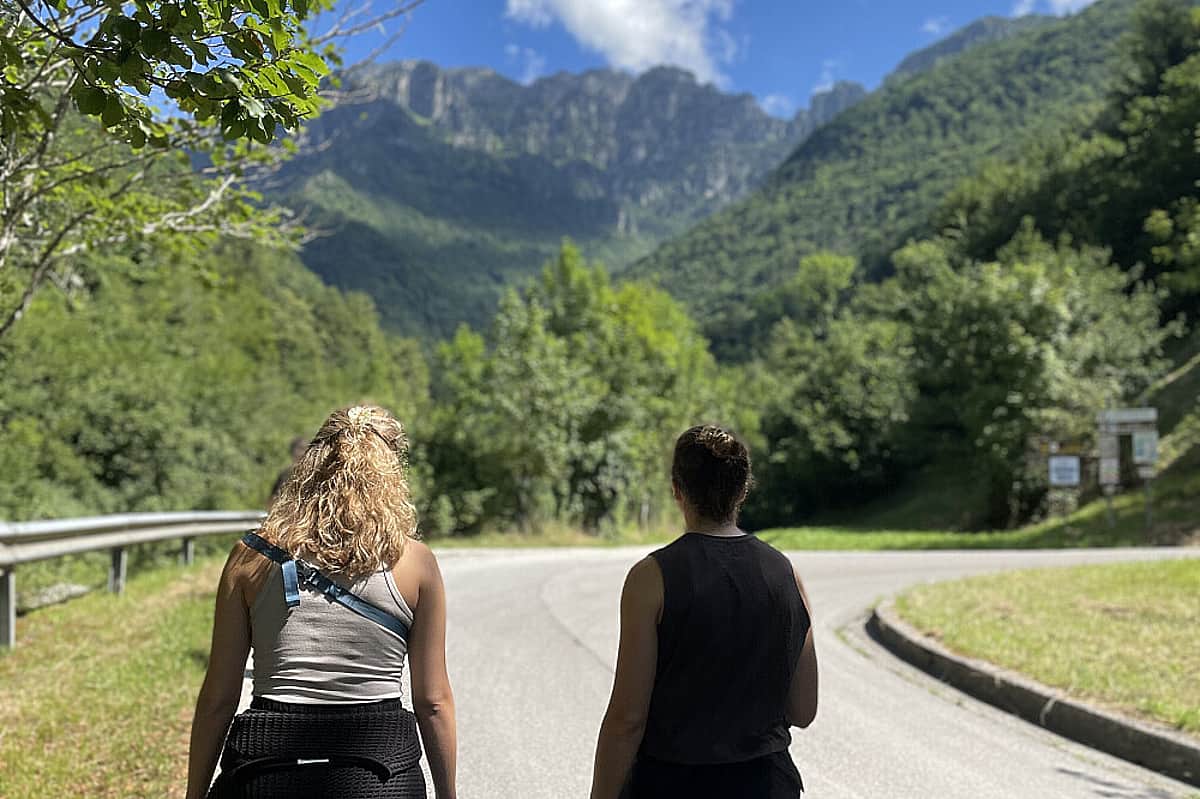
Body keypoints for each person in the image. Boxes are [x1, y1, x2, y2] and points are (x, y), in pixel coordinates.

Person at [185, 405, 457, 799]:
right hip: (381, 775)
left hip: (265, 770)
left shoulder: (250, 557)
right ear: (392, 473)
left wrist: (194, 794)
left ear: (310, 467)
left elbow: (218, 698)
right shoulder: (416, 563)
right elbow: (433, 702)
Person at [590, 424, 818, 799]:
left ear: (677, 490)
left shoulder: (651, 578)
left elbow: (628, 719)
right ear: (742, 490)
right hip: (766, 784)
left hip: (673, 784)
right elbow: (803, 709)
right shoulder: (785, 573)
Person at [268, 436, 309, 506]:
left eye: (306, 448)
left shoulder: (312, 473)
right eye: (300, 448)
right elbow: (272, 499)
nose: (303, 452)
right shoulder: (286, 473)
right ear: (292, 451)